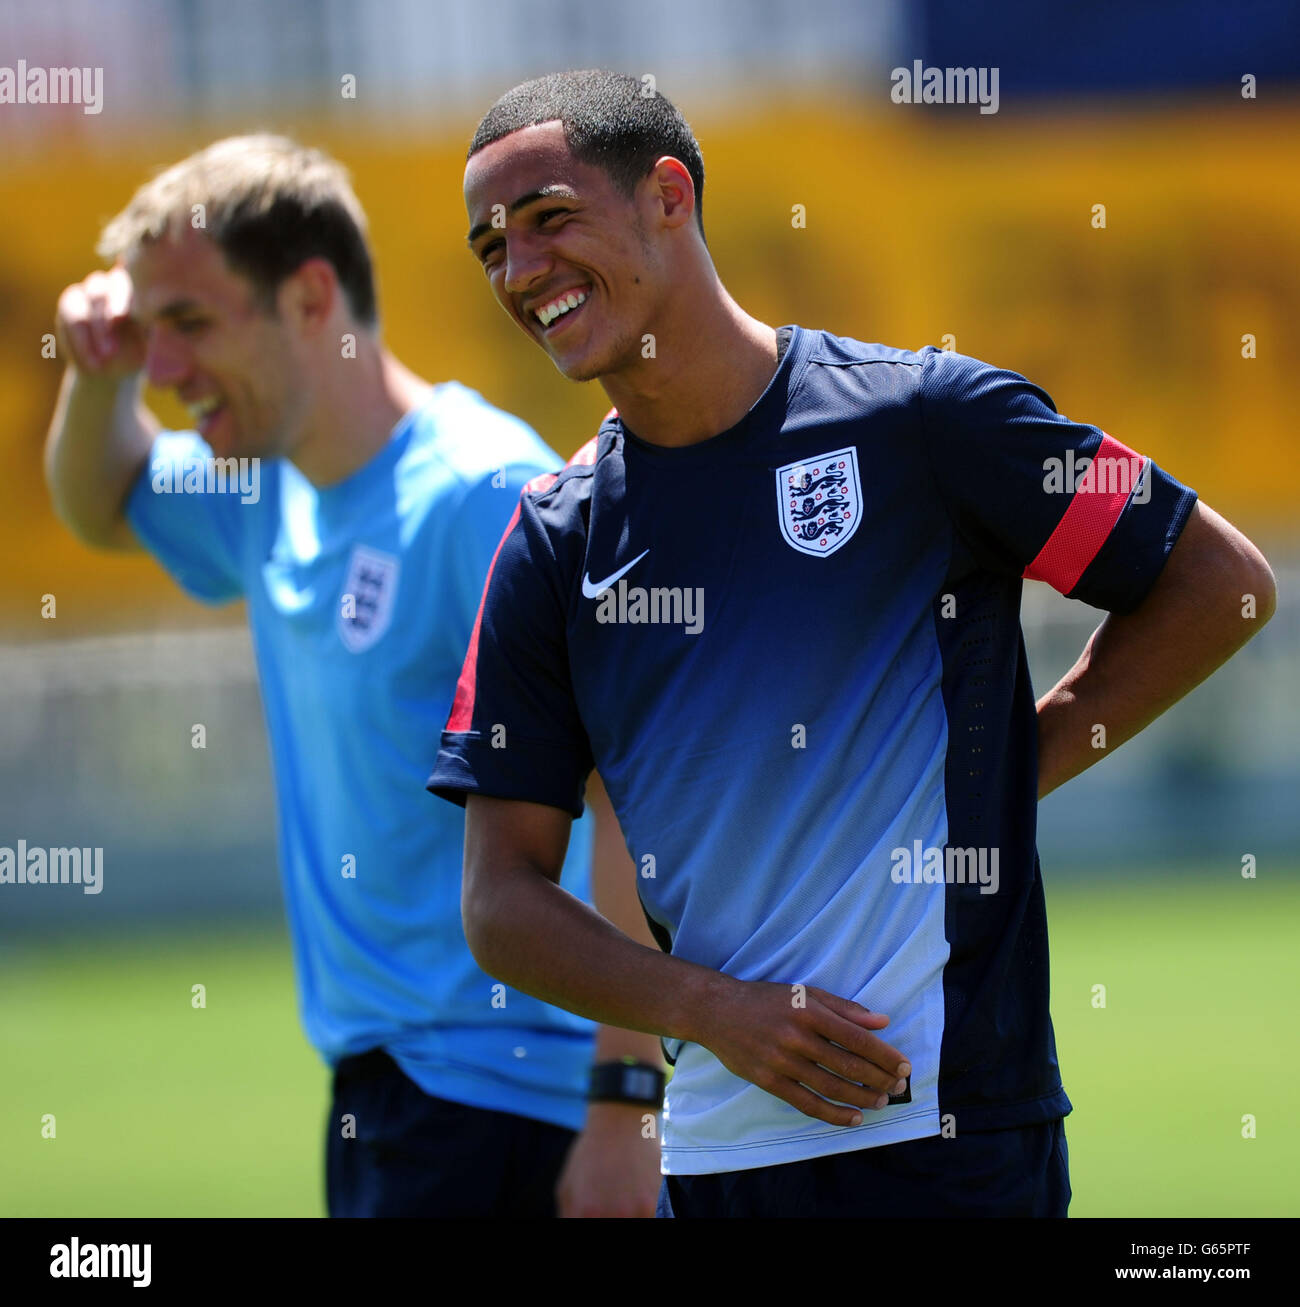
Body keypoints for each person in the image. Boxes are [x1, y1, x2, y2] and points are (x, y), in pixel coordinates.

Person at [427, 71, 1278, 1218]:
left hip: (960, 1141)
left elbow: (1215, 583)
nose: (519, 271)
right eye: (490, 248)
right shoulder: (552, 542)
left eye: (549, 220)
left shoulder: (927, 418)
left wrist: (1003, 774)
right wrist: (711, 1010)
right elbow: (499, 901)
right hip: (719, 1165)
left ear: (667, 195)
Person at [43, 133, 662, 1219]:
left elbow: (632, 787)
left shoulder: (477, 491)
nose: (167, 371)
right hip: (390, 1092)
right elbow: (100, 498)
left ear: (310, 296)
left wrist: (626, 1105)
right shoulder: (265, 486)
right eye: (151, 337)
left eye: (188, 324)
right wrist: (98, 380)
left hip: (519, 1104)